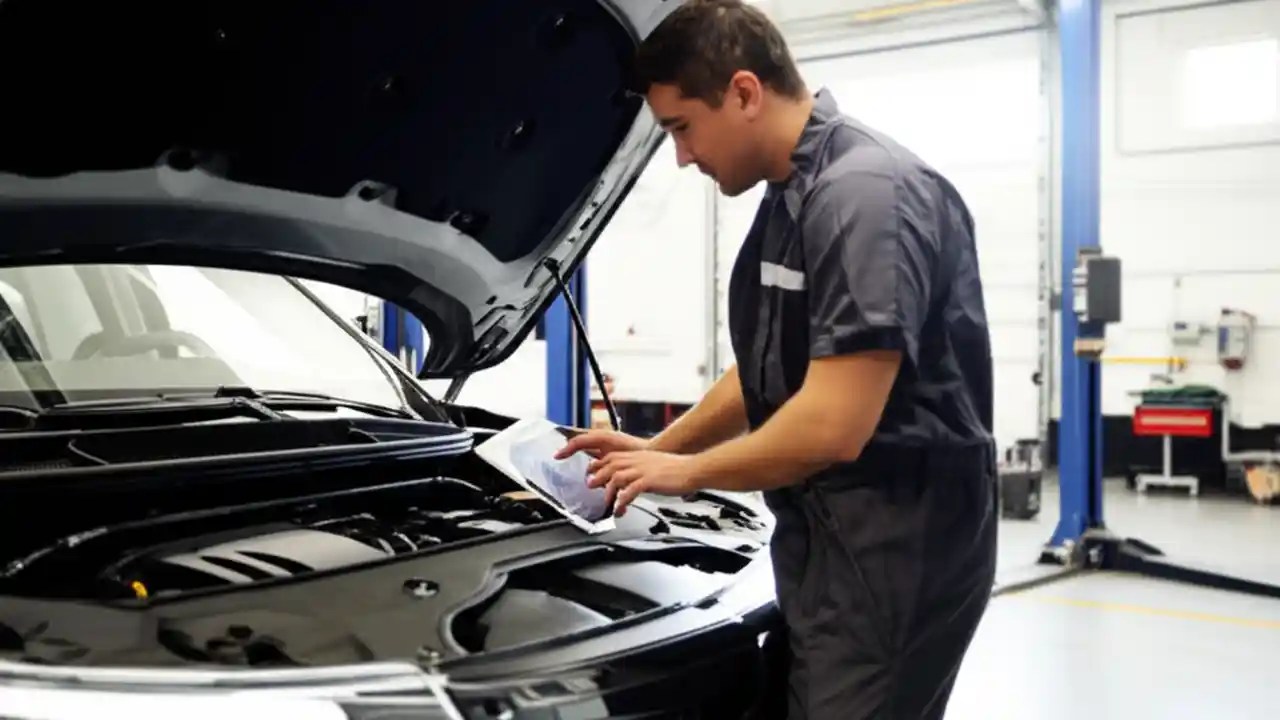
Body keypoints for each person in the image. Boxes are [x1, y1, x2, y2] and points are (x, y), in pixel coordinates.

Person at [555, 1, 998, 718]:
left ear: (744, 93)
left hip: (894, 553)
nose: (683, 156)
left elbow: (832, 426)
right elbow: (771, 368)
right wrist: (656, 451)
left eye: (681, 128)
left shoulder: (864, 196)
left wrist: (687, 473)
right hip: (830, 542)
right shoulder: (794, 194)